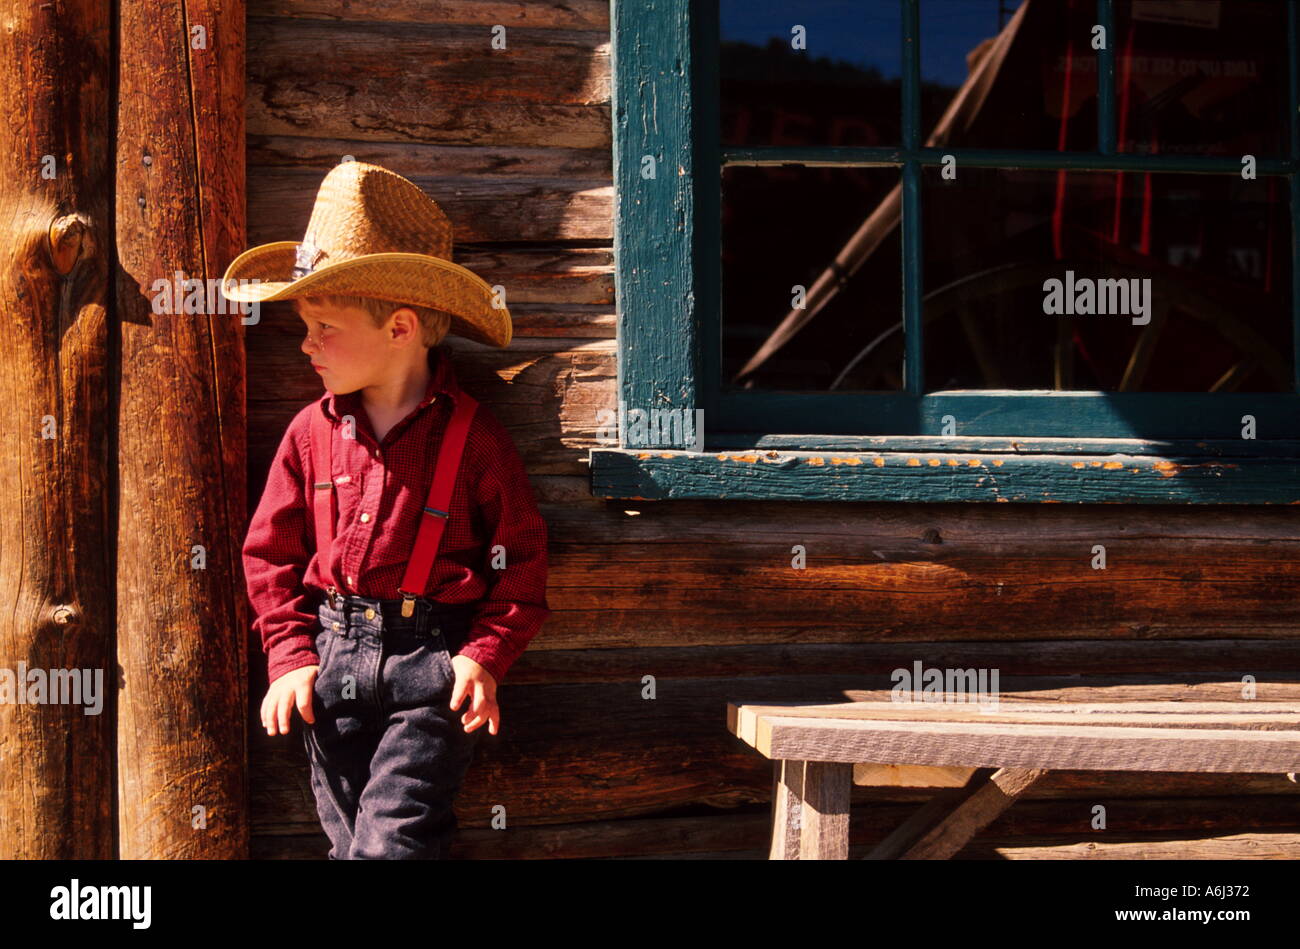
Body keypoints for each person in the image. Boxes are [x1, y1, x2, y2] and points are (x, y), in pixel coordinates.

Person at [223, 160, 550, 859]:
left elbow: (522, 560)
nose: (306, 343)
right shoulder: (309, 434)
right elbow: (269, 554)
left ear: (401, 326)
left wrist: (484, 657)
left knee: (391, 846)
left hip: (430, 668)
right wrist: (287, 655)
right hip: (331, 664)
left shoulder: (475, 439)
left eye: (324, 326)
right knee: (350, 846)